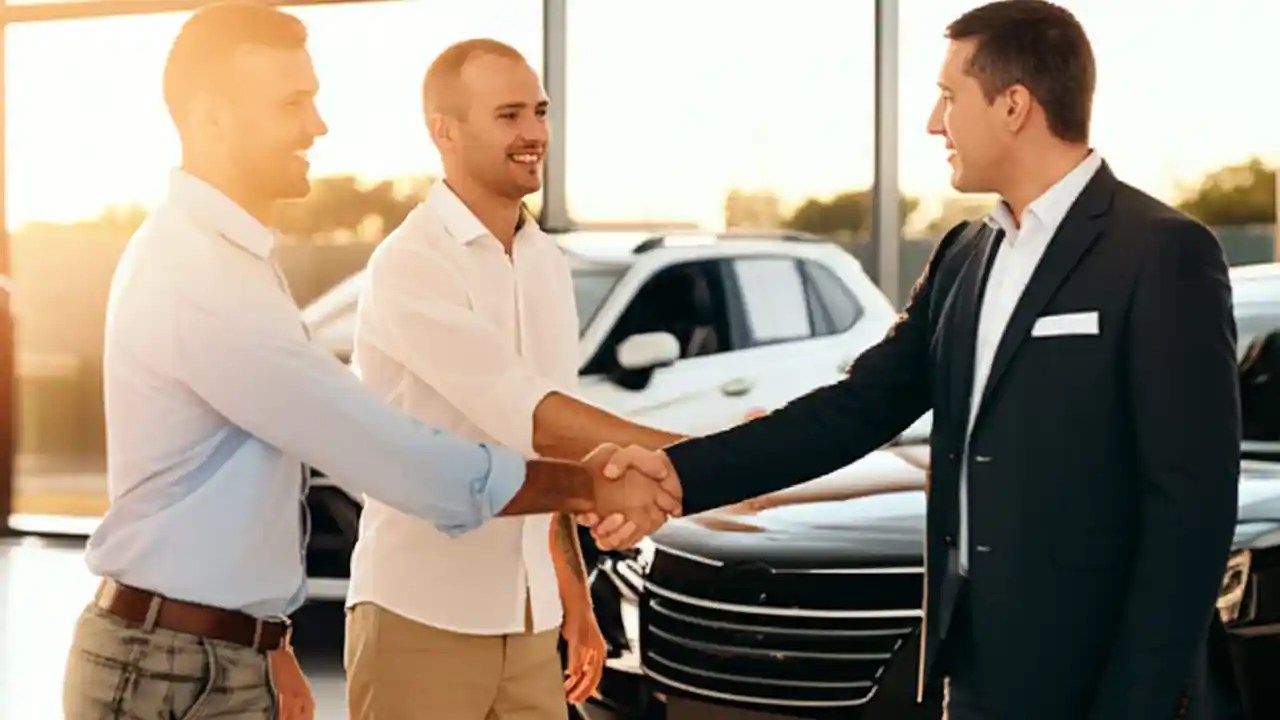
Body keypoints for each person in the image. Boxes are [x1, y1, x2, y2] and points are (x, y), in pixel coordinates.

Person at [588, 1, 1244, 718]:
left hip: (1104, 684)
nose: (935, 122)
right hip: (972, 673)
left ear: (1014, 105)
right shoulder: (964, 256)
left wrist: (1136, 704)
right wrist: (678, 476)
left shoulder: (1161, 253)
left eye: (948, 96)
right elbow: (854, 409)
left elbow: (1192, 511)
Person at [60, 5, 675, 720]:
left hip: (209, 656)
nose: (317, 125)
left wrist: (272, 642)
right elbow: (387, 453)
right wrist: (599, 484)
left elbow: (249, 484)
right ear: (212, 118)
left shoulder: (233, 261)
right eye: (293, 102)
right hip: (172, 669)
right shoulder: (197, 274)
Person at [343, 39, 684, 720]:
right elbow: (533, 416)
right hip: (421, 617)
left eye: (539, 111)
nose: (533, 134)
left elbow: (552, 451)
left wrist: (573, 602)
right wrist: (694, 456)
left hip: (529, 625)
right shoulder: (411, 263)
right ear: (444, 131)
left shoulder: (545, 263)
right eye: (507, 115)